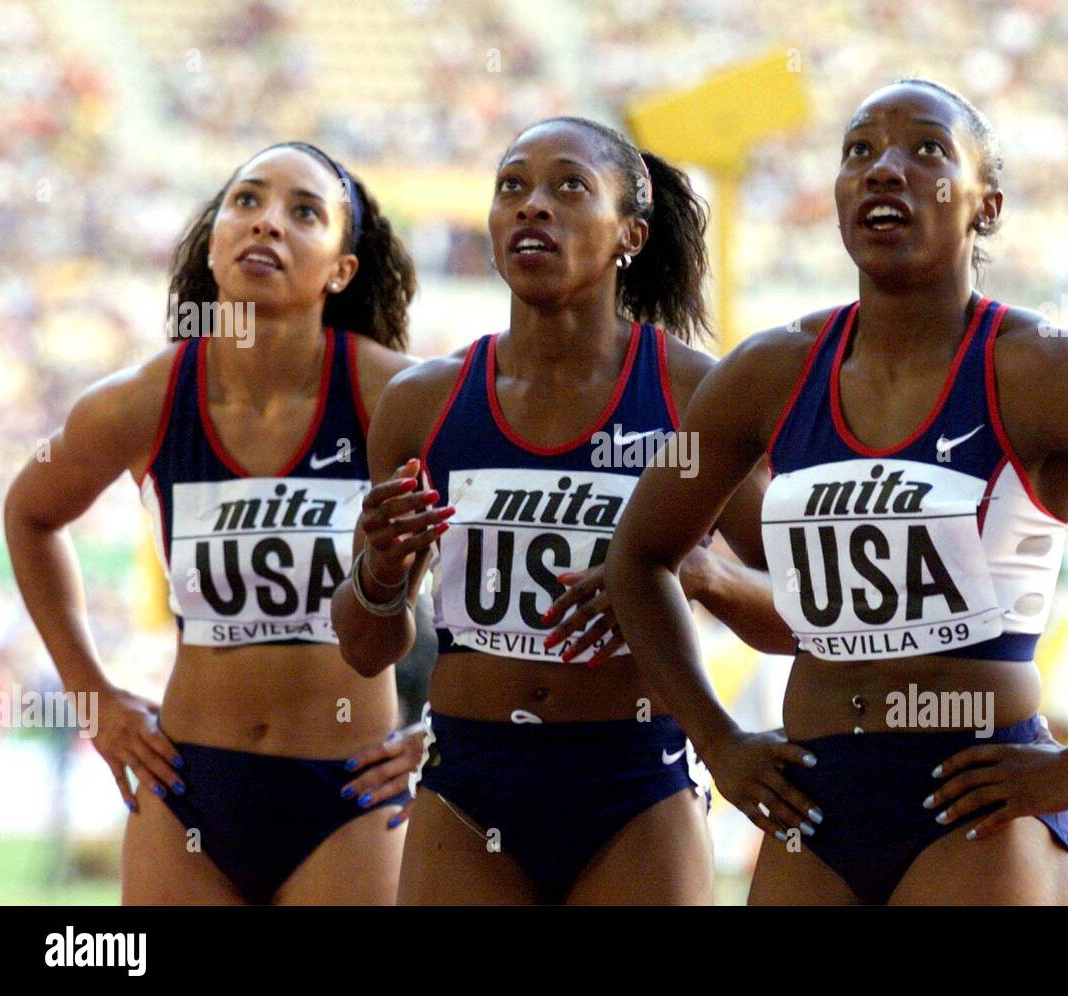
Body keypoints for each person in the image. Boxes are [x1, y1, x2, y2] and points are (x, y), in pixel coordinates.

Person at [605, 79, 1068, 905]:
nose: (884, 168)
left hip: (976, 798)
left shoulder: (1049, 370)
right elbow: (638, 557)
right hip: (814, 805)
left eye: (926, 149)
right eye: (858, 151)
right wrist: (718, 740)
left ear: (985, 207)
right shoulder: (765, 372)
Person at [332, 117, 794, 905]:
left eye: (568, 187)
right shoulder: (423, 404)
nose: (531, 206)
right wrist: (377, 573)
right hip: (469, 785)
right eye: (511, 186)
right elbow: (368, 650)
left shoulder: (694, 395)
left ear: (631, 234)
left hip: (635, 783)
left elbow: (807, 617)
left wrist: (700, 573)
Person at [5, 142, 428, 904]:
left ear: (342, 269)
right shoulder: (141, 400)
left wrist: (458, 727)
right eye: (247, 201)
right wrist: (90, 693)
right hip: (190, 784)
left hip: (354, 795)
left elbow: (504, 534)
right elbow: (30, 514)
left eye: (305, 213)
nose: (268, 224)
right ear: (213, 241)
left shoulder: (394, 395)